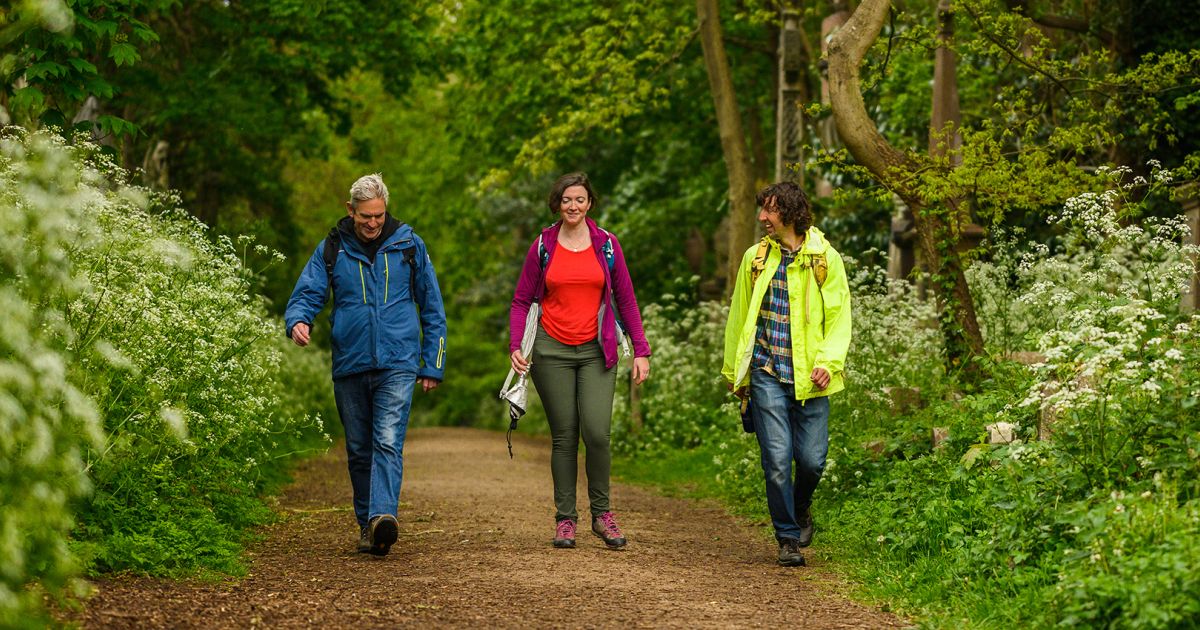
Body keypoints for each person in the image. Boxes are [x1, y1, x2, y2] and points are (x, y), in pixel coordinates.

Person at [285, 173, 447, 557]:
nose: (372, 223)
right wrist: (299, 320)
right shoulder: (332, 248)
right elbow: (307, 291)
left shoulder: (409, 245)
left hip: (399, 361)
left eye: (378, 215)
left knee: (387, 441)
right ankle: (366, 525)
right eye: (364, 217)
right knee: (359, 449)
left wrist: (432, 364)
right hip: (350, 361)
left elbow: (433, 307)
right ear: (350, 211)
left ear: (385, 209)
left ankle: (382, 517)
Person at [509, 172, 651, 550]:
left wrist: (641, 350)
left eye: (580, 200)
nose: (573, 206)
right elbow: (522, 299)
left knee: (597, 433)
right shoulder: (543, 245)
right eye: (567, 200)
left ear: (590, 204)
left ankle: (602, 515)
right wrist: (516, 345)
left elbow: (627, 299)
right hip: (551, 349)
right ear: (558, 203)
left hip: (596, 350)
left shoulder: (607, 245)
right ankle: (565, 519)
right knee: (565, 436)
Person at [721, 181, 852, 567]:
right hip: (766, 370)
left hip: (812, 377)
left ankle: (802, 506)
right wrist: (734, 372)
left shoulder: (825, 259)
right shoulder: (755, 258)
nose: (762, 217)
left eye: (770, 210)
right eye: (762, 210)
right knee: (777, 458)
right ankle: (788, 538)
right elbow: (739, 316)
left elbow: (839, 318)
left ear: (791, 213)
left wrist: (829, 364)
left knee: (811, 460)